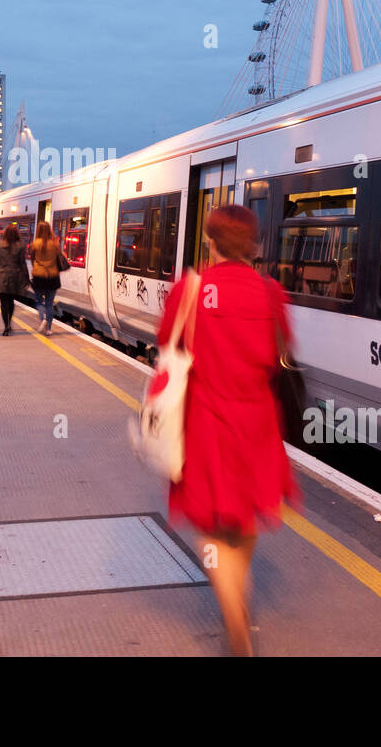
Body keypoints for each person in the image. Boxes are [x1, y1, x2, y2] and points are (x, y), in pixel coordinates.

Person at [156, 204, 300, 657]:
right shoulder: (270, 291)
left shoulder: (191, 290)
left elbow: (167, 346)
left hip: (205, 423)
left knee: (211, 526)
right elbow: (284, 351)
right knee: (244, 516)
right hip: (257, 425)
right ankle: (238, 600)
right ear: (254, 246)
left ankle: (234, 615)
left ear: (210, 241)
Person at [0, 224, 30, 335]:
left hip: (1, 275)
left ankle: (6, 326)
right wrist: (27, 278)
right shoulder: (21, 245)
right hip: (14, 276)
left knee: (3, 303)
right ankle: (9, 322)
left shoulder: (0, 244)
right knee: (11, 301)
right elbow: (22, 263)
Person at [28, 223, 62, 335]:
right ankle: (49, 329)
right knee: (49, 303)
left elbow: (32, 260)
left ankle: (43, 319)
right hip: (52, 277)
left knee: (39, 301)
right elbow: (58, 259)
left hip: (39, 277)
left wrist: (38, 267)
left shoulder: (35, 244)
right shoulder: (55, 243)